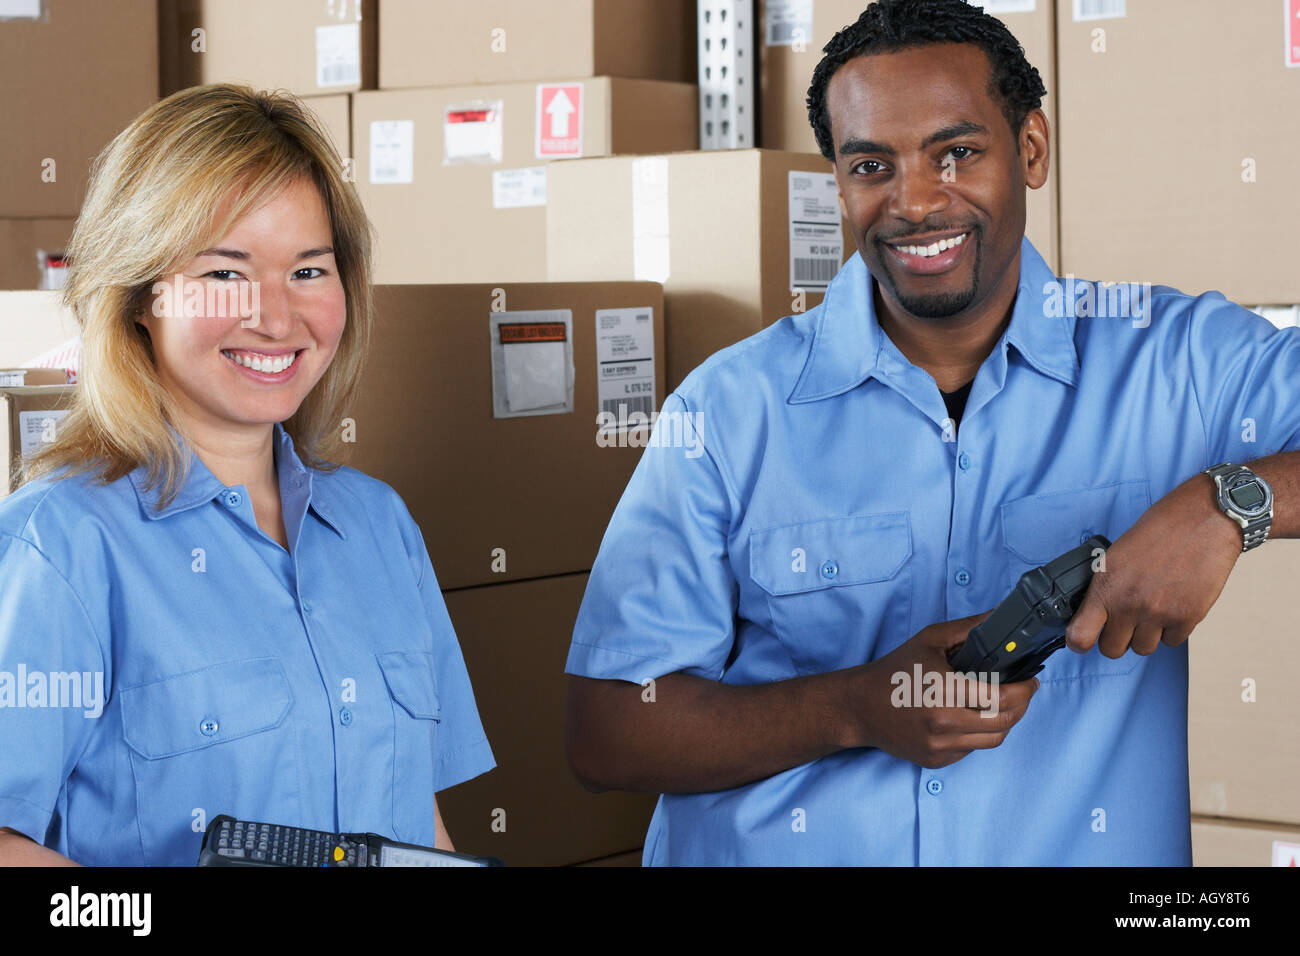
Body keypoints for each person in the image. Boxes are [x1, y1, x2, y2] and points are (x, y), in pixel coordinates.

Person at [563, 0, 1300, 865]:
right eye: (872, 165)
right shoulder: (726, 413)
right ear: (837, 183)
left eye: (956, 153)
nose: (914, 201)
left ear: (1031, 149)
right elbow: (607, 731)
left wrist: (1229, 503)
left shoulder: (1177, 363)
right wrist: (855, 708)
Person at [0, 84, 494, 866]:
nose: (274, 316)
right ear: (139, 297)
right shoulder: (59, 547)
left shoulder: (378, 527)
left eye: (308, 270)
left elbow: (416, 824)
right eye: (226, 273)